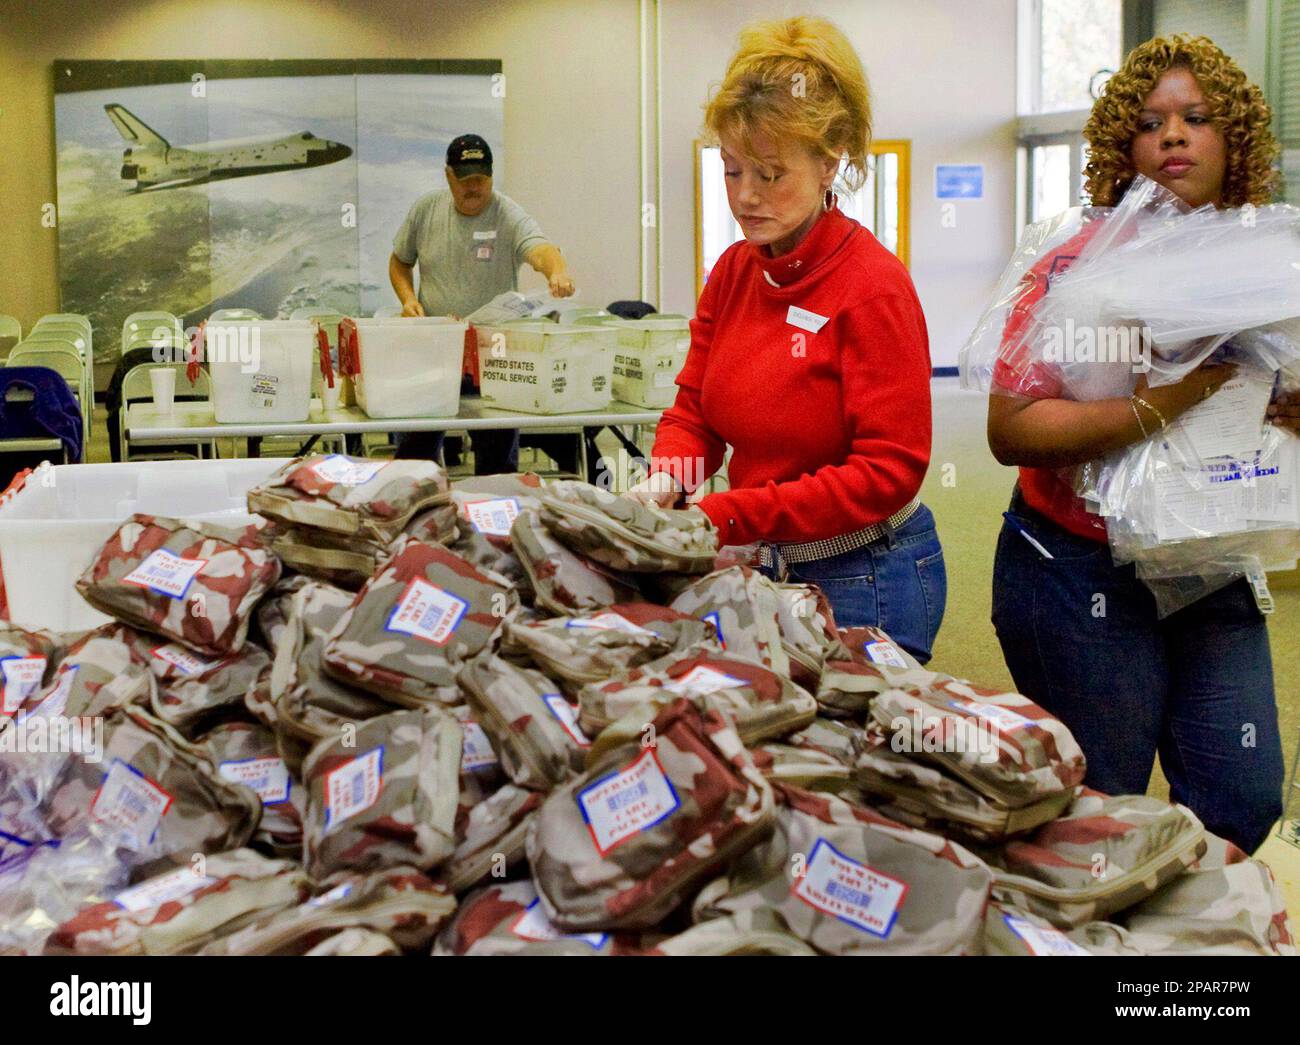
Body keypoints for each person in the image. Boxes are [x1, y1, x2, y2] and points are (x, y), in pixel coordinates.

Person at [986, 35, 1297, 854]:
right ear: (1122, 144)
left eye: (1197, 118)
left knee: (1243, 795)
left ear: (1235, 140)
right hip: (1080, 566)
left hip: (1215, 562)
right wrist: (1166, 402)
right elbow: (1011, 428)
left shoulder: (1273, 261)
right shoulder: (1075, 267)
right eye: (1152, 121)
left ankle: (1194, 953)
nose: (1174, 135)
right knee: (1100, 808)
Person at [627, 16, 946, 663]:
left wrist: (734, 512)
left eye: (770, 174)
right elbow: (695, 411)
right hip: (763, 560)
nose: (745, 196)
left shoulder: (873, 287)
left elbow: (889, 469)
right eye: (732, 169)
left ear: (831, 162)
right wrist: (665, 478)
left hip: (865, 574)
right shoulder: (735, 271)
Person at [388, 133, 576, 473]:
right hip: (435, 349)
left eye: (482, 179)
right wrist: (408, 299)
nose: (474, 187)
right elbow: (400, 261)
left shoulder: (507, 213)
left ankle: (497, 518)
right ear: (448, 176)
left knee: (497, 457)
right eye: (465, 180)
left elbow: (541, 250)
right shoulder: (425, 210)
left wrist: (557, 271)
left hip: (494, 355)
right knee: (414, 458)